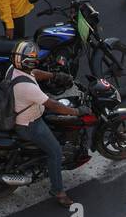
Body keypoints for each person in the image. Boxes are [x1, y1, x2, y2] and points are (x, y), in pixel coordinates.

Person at [6, 40, 76, 208]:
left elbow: (34, 73)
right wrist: (77, 112)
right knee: (56, 152)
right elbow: (54, 105)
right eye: (32, 58)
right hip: (29, 124)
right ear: (27, 62)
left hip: (23, 112)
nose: (36, 59)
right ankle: (58, 191)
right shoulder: (29, 89)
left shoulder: (14, 70)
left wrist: (54, 76)